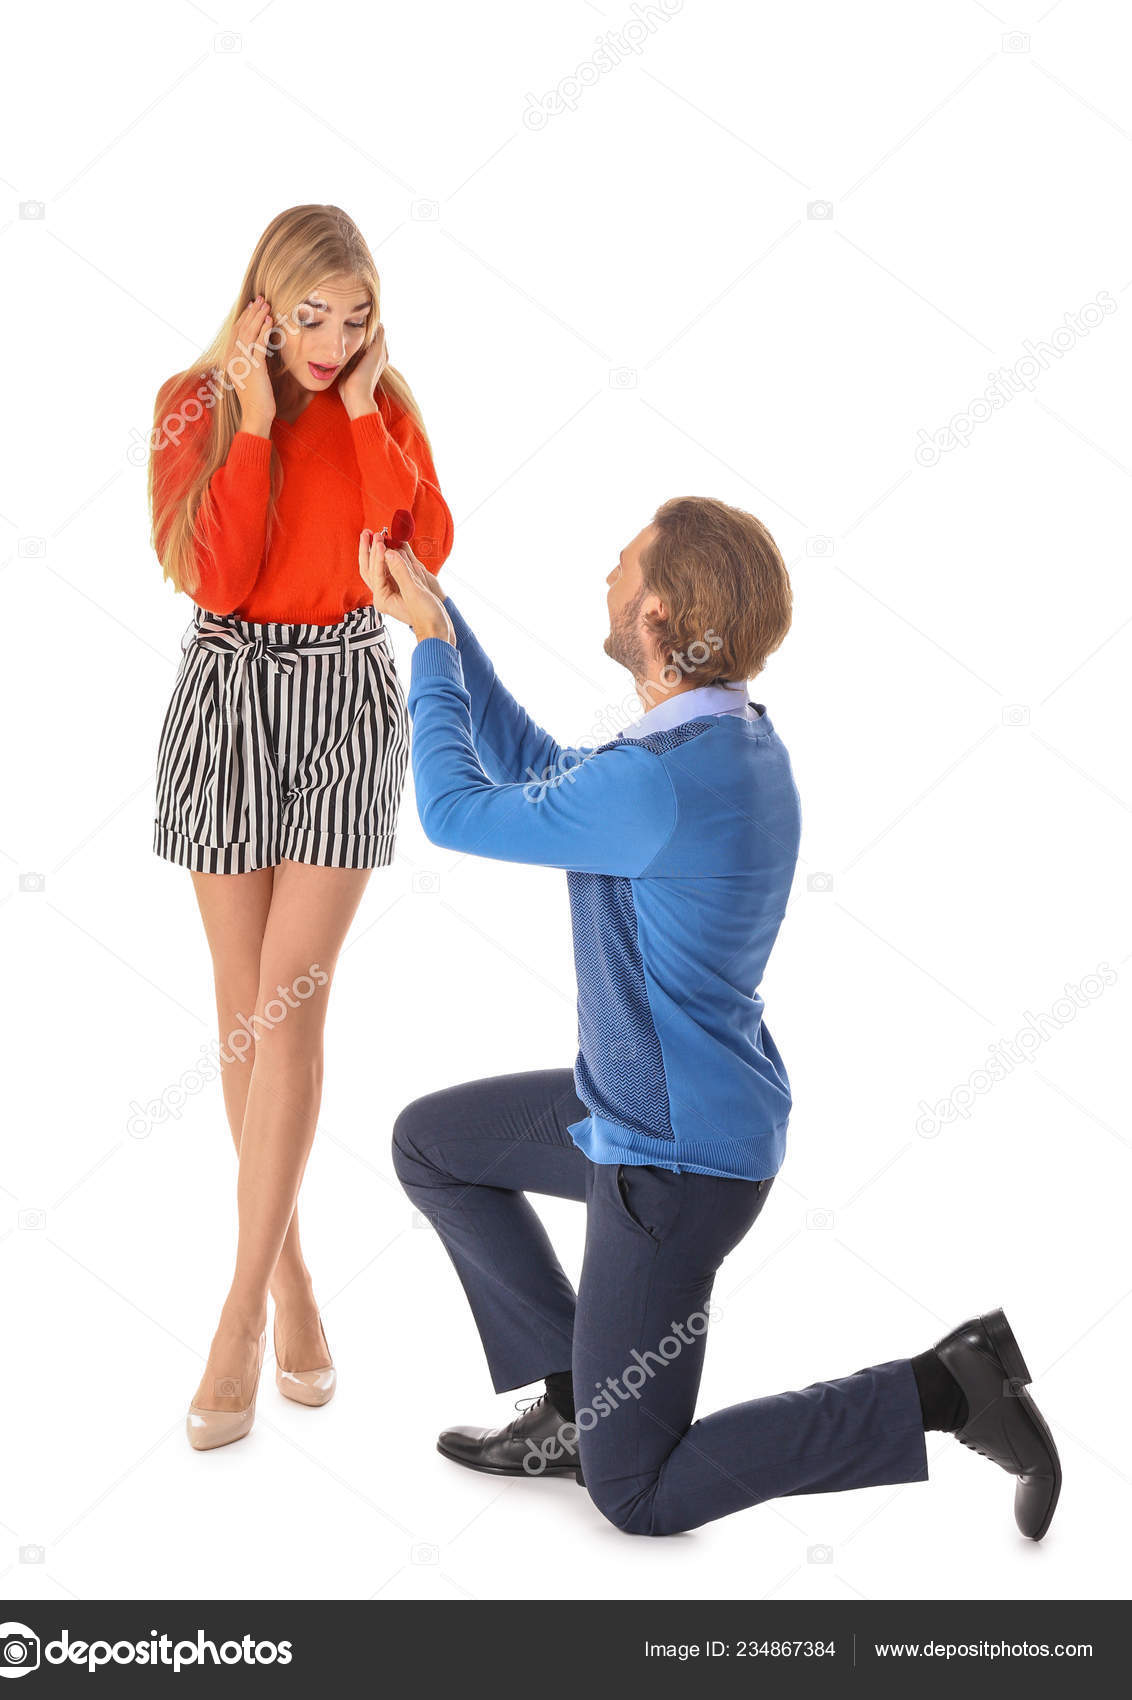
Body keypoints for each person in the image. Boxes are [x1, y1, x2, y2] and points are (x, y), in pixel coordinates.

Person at [358, 501, 1062, 1540]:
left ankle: (944, 1389)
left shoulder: (658, 785)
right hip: (641, 1113)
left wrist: (423, 652)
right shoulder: (718, 742)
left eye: (622, 561)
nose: (605, 568)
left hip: (671, 1167)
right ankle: (573, 1400)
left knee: (635, 1491)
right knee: (434, 1143)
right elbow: (548, 772)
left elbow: (456, 806)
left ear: (658, 610)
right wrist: (444, 626)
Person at [147, 204, 453, 1450]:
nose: (335, 339)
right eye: (313, 316)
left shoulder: (384, 405)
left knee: (294, 997)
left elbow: (420, 553)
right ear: (265, 303)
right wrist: (260, 423)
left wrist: (369, 412)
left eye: (357, 314)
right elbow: (217, 575)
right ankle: (292, 1281)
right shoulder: (193, 400)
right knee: (240, 1003)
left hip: (341, 685)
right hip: (228, 685)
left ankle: (233, 1316)